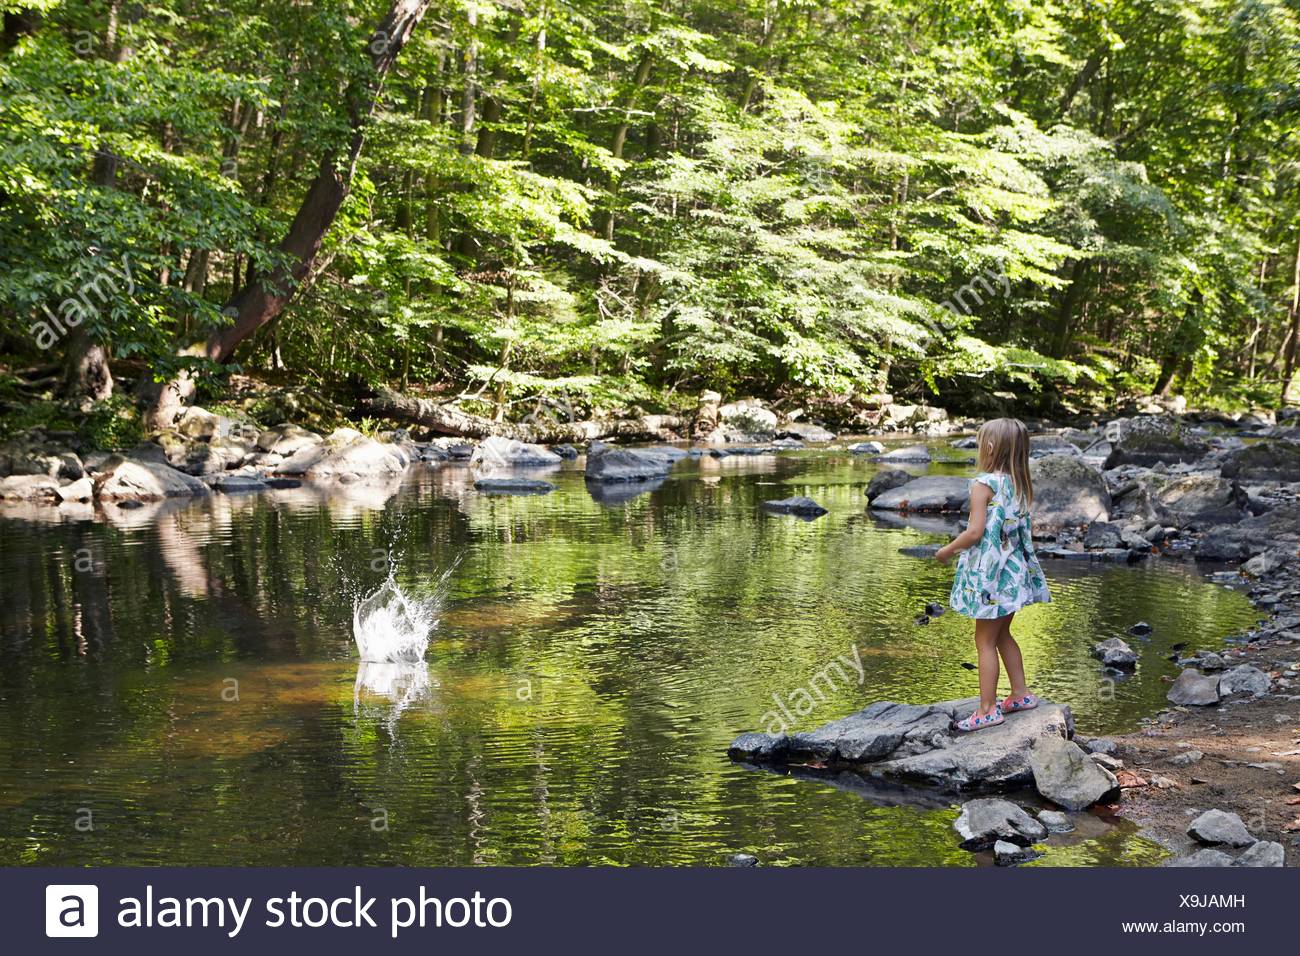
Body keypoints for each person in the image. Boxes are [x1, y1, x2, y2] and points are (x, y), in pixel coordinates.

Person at [935, 418, 1051, 732]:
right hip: (1014, 576)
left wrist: (947, 551)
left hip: (991, 578)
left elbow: (974, 533)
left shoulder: (984, 484)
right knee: (1003, 635)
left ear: (988, 447)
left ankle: (987, 710)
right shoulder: (1020, 483)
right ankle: (1021, 694)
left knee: (984, 641)